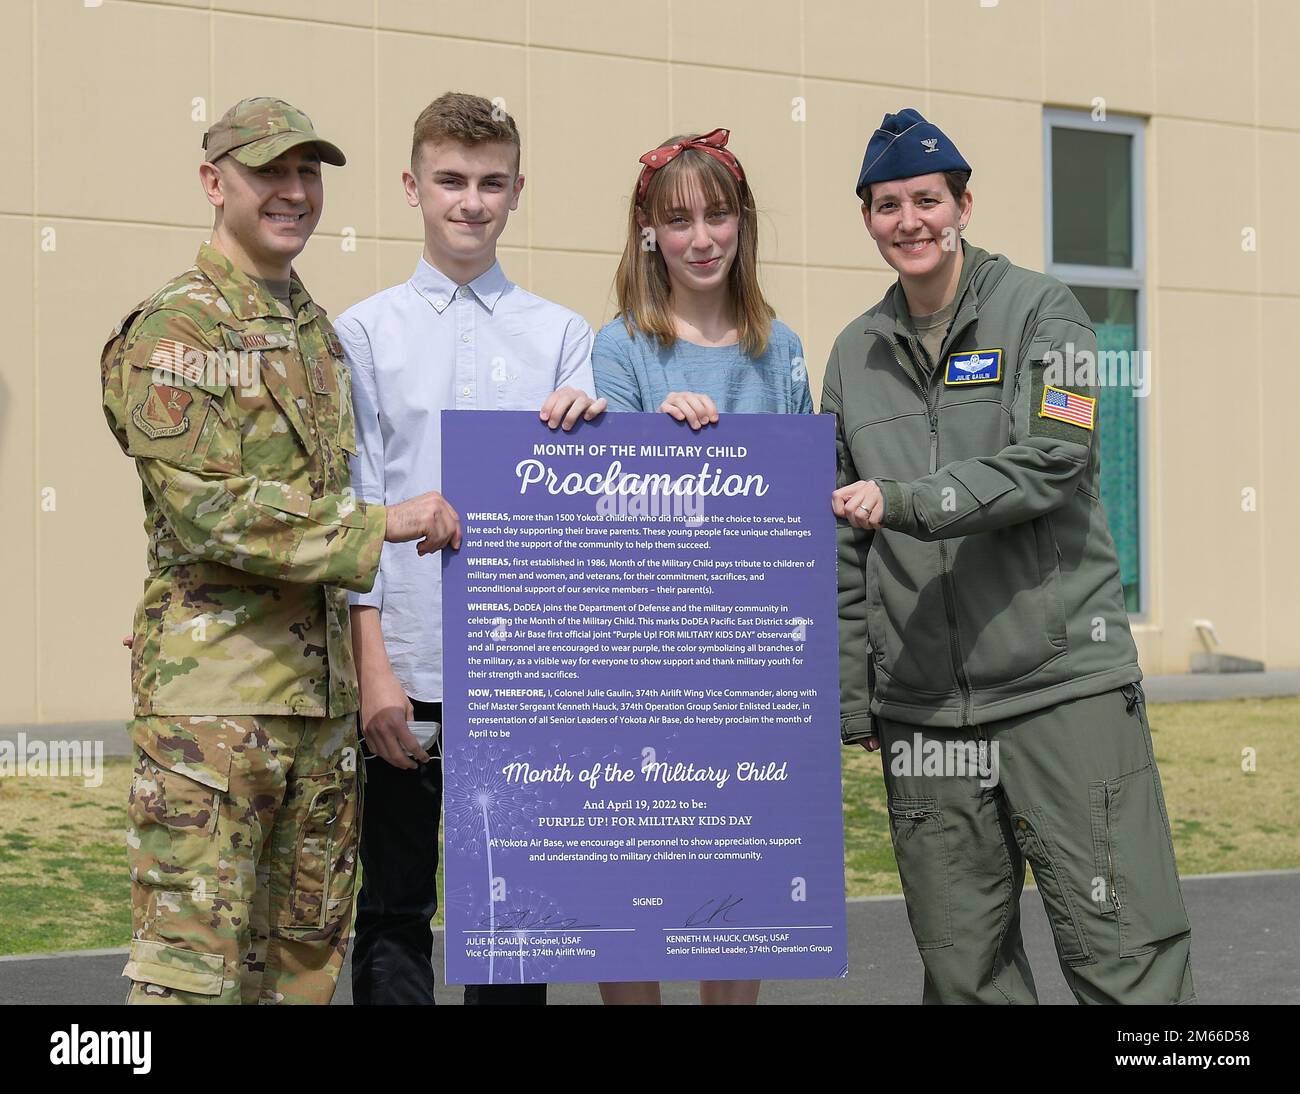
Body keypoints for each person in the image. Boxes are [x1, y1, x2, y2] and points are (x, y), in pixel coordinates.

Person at [823, 108, 1194, 1004]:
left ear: (964, 204)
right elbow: (837, 539)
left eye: (925, 200)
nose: (907, 221)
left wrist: (909, 502)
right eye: (885, 205)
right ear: (868, 219)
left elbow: (1054, 459)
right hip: (923, 710)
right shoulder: (852, 355)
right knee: (964, 973)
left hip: (1060, 689)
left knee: (1123, 952)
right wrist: (851, 694)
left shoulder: (1044, 313)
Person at [101, 97, 453, 1005]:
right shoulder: (180, 330)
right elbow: (205, 509)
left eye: (309, 173)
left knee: (299, 968)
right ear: (215, 184)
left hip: (320, 711)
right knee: (191, 972)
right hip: (215, 710)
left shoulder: (315, 334)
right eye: (270, 172)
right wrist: (384, 527)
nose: (295, 192)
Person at [339, 91, 604, 1007]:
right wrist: (373, 668)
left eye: (492, 183)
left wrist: (594, 431)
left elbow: (585, 513)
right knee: (394, 909)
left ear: (518, 191)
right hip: (406, 663)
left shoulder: (565, 336)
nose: (470, 201)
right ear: (412, 185)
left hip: (523, 672)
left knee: (513, 923)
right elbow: (357, 505)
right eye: (450, 180)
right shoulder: (364, 332)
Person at [592, 128, 812, 1006]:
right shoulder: (623, 349)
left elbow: (799, 516)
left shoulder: (783, 349)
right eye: (678, 220)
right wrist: (652, 444)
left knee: (736, 895)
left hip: (749, 667)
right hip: (644, 665)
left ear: (743, 223)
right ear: (649, 232)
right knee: (631, 895)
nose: (701, 238)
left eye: (718, 215)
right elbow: (599, 521)